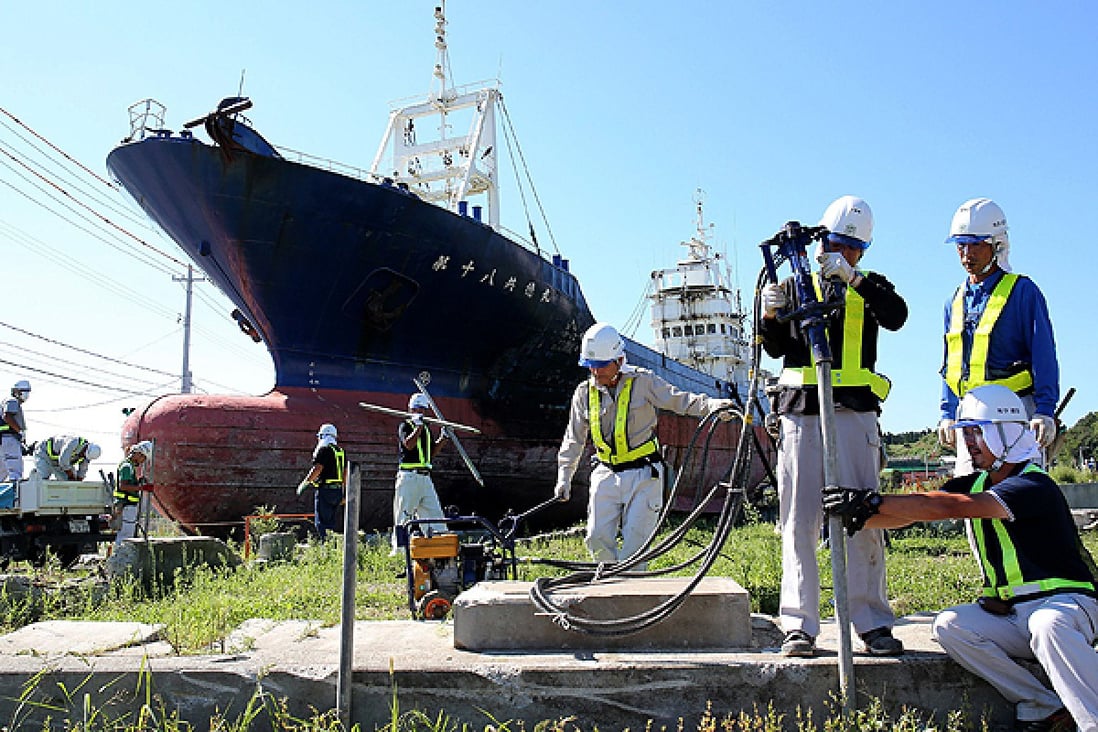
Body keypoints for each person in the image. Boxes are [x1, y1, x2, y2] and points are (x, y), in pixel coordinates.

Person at [824, 384, 1097, 732]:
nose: (968, 443)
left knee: (1048, 626)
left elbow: (943, 506)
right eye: (965, 433)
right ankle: (1041, 704)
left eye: (975, 433)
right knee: (951, 625)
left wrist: (871, 502)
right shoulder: (977, 481)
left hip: (1069, 607)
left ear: (1004, 432)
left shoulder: (1033, 485)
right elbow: (913, 512)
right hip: (1014, 615)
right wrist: (855, 514)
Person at [758, 195, 908, 657]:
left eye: (852, 249)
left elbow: (897, 315)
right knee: (799, 523)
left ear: (863, 251)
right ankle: (799, 626)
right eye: (836, 244)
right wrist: (768, 314)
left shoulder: (871, 286)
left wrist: (857, 281)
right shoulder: (796, 284)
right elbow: (776, 349)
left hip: (855, 415)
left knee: (863, 519)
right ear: (821, 240)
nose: (842, 254)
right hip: (802, 415)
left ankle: (871, 622)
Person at [554, 322, 736, 571]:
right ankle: (609, 589)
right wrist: (564, 477)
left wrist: (713, 407)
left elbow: (679, 400)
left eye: (601, 365)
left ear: (619, 359)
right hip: (605, 473)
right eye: (590, 366)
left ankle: (632, 597)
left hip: (643, 476)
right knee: (596, 537)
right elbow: (573, 437)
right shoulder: (583, 393)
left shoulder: (644, 381)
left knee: (636, 546)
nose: (596, 373)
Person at [937, 198, 1059, 476]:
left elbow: (1044, 355)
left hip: (1015, 415)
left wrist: (1045, 410)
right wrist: (947, 413)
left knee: (1019, 502)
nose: (967, 253)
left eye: (976, 244)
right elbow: (950, 365)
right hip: (970, 418)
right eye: (960, 245)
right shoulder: (954, 301)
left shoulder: (1023, 291)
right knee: (970, 502)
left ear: (998, 244)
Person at [391, 394, 448, 554]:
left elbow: (430, 454)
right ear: (411, 408)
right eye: (418, 409)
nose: (421, 412)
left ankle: (439, 548)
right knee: (403, 514)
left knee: (434, 514)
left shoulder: (427, 429)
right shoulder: (406, 425)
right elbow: (408, 445)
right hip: (408, 477)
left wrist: (444, 438)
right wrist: (417, 427)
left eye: (423, 409)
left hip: (425, 478)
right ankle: (399, 551)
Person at [296, 423, 346, 540]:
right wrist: (343, 493)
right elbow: (345, 473)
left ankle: (325, 549)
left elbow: (317, 469)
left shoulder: (324, 450)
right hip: (337, 492)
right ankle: (331, 547)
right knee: (331, 523)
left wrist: (306, 482)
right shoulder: (340, 452)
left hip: (325, 491)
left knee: (321, 523)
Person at [114, 440, 153, 545]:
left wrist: (139, 482)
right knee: (125, 536)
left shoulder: (129, 466)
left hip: (127, 505)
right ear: (139, 454)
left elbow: (128, 484)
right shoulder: (127, 467)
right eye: (143, 458)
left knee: (125, 535)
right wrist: (142, 488)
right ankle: (121, 559)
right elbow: (123, 486)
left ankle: (120, 557)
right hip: (127, 505)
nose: (142, 461)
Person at [1, 380, 31, 482]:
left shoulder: (8, 401)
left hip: (4, 439)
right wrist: (19, 431)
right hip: (9, 438)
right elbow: (7, 417)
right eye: (24, 391)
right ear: (16, 391)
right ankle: (16, 492)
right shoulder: (12, 401)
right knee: (15, 468)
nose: (26, 394)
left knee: (3, 469)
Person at [33, 435, 101, 480]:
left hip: (57, 462)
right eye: (83, 454)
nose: (82, 456)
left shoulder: (86, 455)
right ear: (86, 448)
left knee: (66, 482)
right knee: (43, 477)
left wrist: (78, 479)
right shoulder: (73, 442)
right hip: (43, 453)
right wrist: (71, 476)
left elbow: (83, 469)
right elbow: (63, 461)